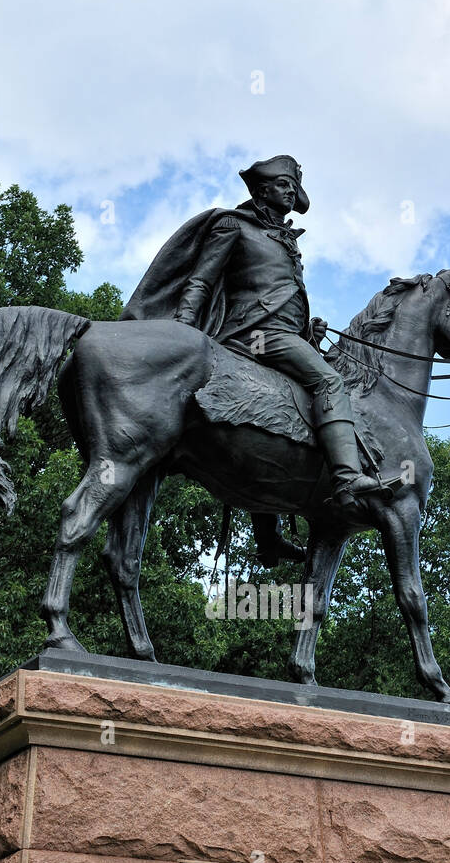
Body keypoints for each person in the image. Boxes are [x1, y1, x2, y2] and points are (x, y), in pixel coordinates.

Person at [123, 155, 392, 562]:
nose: (290, 191)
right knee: (329, 382)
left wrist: (307, 333)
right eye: (282, 184)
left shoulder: (283, 238)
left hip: (283, 336)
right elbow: (201, 281)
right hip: (255, 339)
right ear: (262, 190)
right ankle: (347, 479)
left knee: (281, 419)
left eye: (292, 185)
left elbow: (276, 297)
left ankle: (268, 533)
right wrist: (179, 331)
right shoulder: (235, 227)